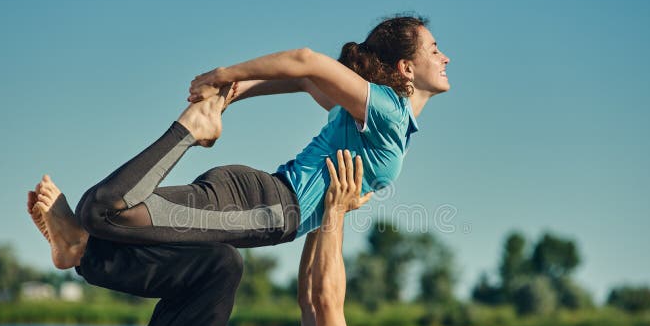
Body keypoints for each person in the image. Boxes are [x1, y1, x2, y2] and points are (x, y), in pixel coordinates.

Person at [27, 148, 466, 326]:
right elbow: (312, 302)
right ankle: (85, 251)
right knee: (201, 273)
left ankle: (84, 252)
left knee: (222, 264)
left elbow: (332, 303)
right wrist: (321, 216)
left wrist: (335, 210)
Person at [70, 16, 450, 254]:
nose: (444, 57)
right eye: (434, 49)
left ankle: (75, 243)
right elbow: (305, 60)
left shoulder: (367, 117)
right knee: (107, 212)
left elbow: (303, 79)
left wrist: (233, 95)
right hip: (268, 207)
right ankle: (191, 129)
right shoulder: (388, 112)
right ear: (406, 68)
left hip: (259, 199)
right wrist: (224, 76)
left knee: (129, 229)